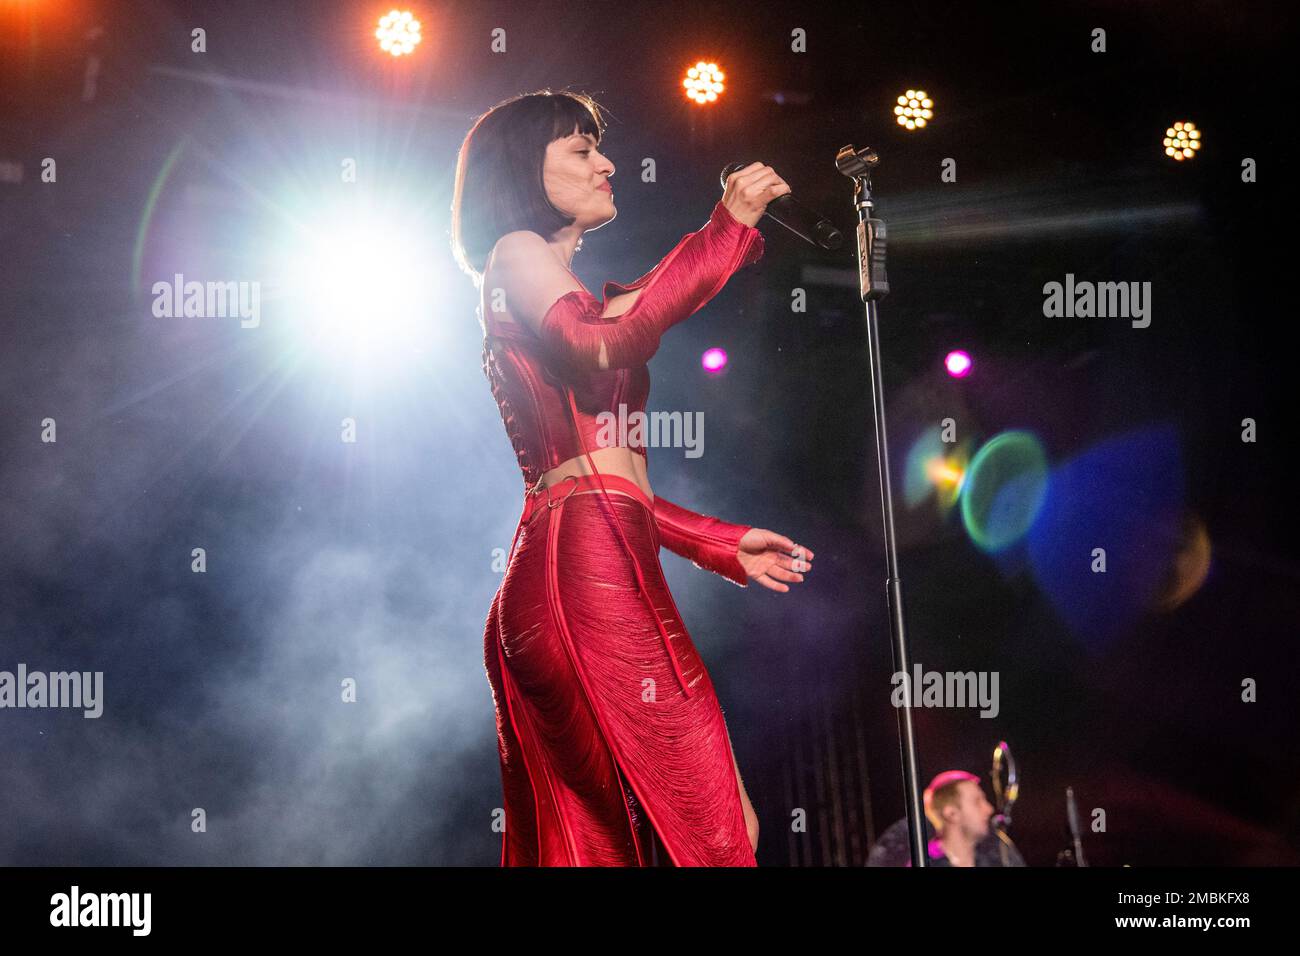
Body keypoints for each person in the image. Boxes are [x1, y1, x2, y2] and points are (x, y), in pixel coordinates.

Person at [450, 90, 815, 866]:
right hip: (584, 571)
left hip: (573, 560)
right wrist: (724, 229)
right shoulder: (517, 249)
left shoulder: (541, 274)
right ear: (523, 169)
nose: (607, 162)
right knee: (716, 833)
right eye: (581, 150)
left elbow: (610, 484)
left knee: (606, 849)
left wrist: (719, 542)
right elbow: (603, 346)